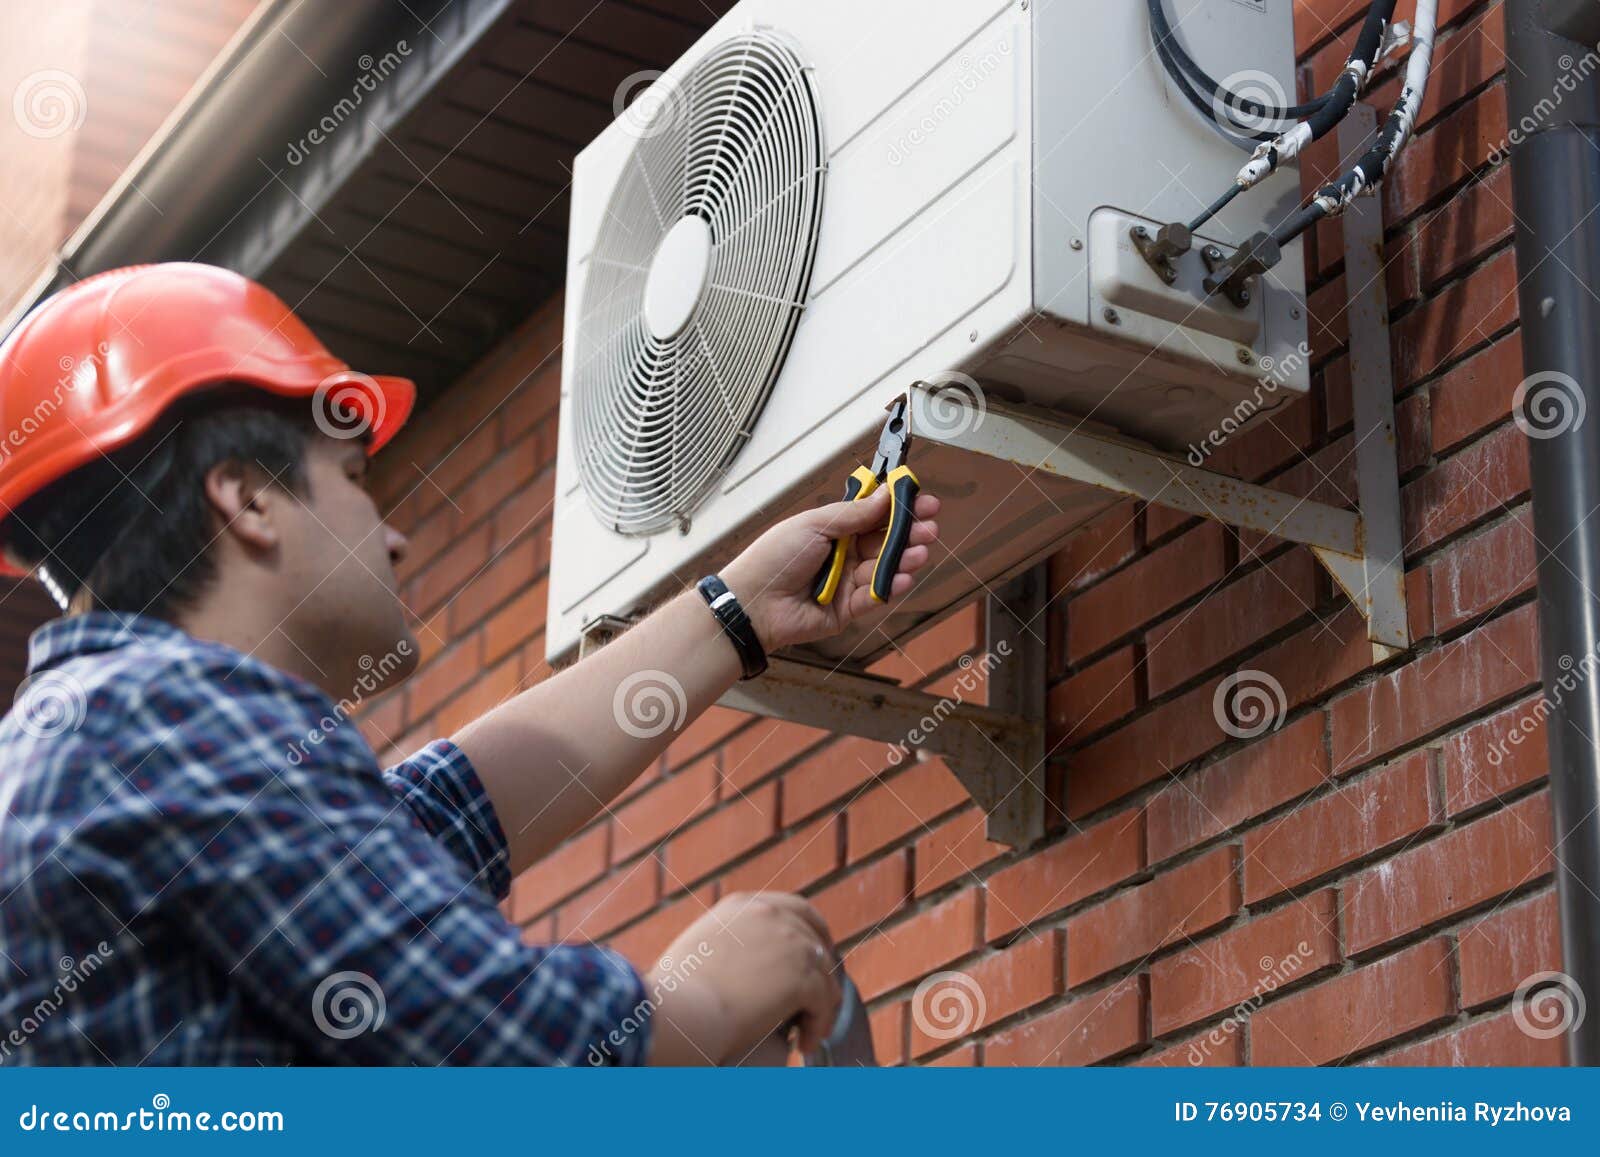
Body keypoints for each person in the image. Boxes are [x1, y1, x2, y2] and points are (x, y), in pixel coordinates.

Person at [0, 263, 940, 1066]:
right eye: (358, 479)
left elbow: (442, 816)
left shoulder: (112, 735)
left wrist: (739, 612)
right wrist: (715, 990)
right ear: (248, 497)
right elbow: (521, 1068)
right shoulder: (177, 719)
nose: (396, 537)